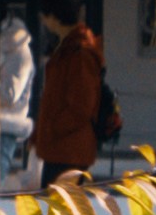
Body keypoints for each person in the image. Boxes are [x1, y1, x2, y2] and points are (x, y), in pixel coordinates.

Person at [27, 16, 113, 182]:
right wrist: (40, 134)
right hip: (62, 145)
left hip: (70, 148)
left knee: (62, 204)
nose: (44, 21)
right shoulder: (67, 48)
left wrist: (50, 129)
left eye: (45, 16)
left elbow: (81, 106)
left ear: (54, 17)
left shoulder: (79, 52)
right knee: (56, 203)